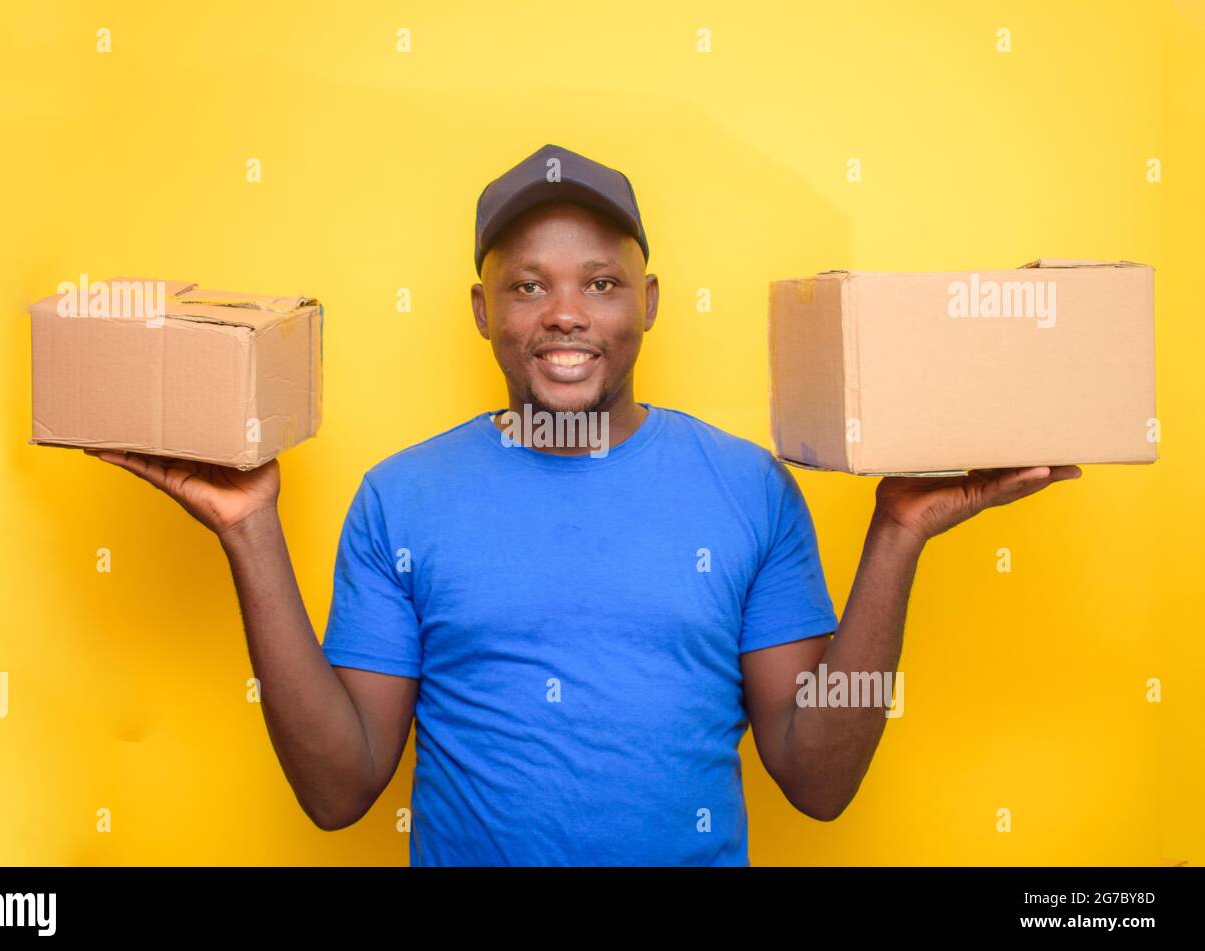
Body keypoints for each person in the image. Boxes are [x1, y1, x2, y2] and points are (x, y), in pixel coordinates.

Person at [86, 144, 1080, 865]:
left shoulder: (747, 487)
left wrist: (898, 534)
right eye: (527, 285)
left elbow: (816, 782)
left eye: (600, 282)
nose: (565, 311)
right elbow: (340, 790)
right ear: (483, 313)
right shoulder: (402, 495)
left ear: (648, 299)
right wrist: (249, 529)